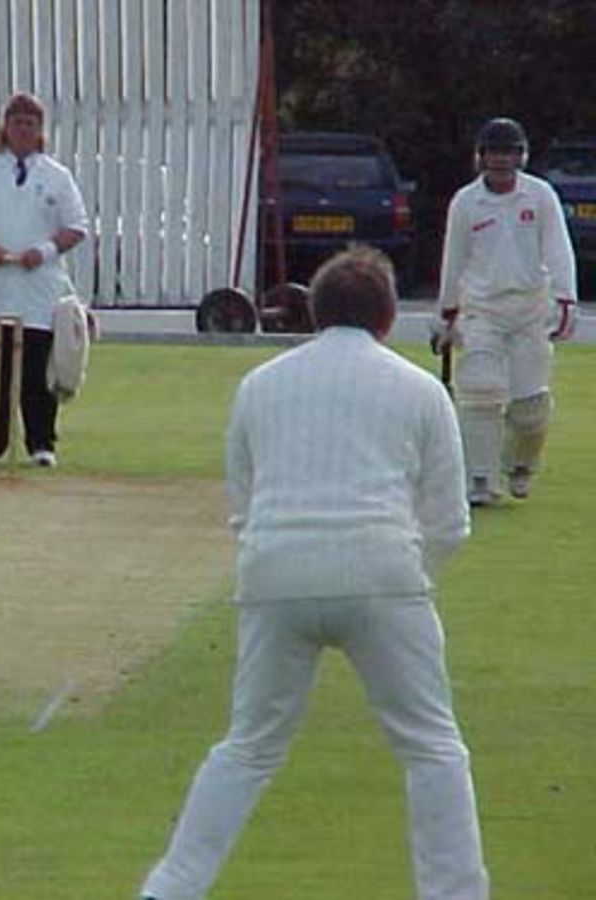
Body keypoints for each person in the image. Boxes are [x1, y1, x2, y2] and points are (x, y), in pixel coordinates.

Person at [137, 247, 489, 900]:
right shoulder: (420, 389)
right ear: (388, 318)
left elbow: (243, 505)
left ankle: (169, 889)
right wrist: (407, 579)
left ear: (314, 313)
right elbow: (449, 522)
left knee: (248, 747)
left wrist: (277, 558)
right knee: (433, 748)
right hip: (383, 573)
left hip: (275, 572)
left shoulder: (260, 384)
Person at [433, 116, 578, 506]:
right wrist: (446, 312)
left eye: (508, 152)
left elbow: (558, 249)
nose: (500, 160)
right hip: (482, 309)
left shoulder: (540, 196)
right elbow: (454, 258)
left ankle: (520, 465)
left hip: (531, 309)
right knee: (480, 393)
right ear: (481, 156)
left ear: (521, 156)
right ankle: (480, 479)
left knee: (530, 404)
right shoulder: (466, 202)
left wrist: (565, 299)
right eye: (493, 152)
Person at [0, 91, 89, 467]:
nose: (23, 130)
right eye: (16, 123)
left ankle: (42, 444)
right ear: (5, 128)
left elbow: (77, 227)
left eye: (30, 123)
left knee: (37, 371)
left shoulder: (57, 176)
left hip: (38, 288)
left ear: (40, 129)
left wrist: (42, 251)